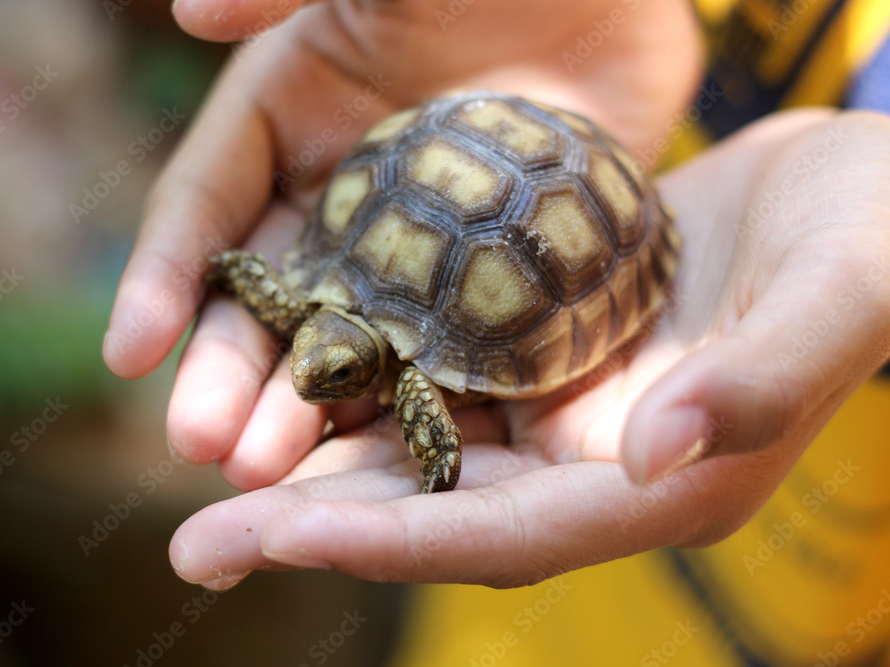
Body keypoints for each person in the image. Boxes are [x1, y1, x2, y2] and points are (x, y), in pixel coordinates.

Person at [104, 0, 890, 662]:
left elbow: (402, 372)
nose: (310, 378)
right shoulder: (325, 314)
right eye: (322, 367)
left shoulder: (408, 376)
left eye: (335, 376)